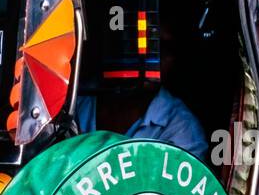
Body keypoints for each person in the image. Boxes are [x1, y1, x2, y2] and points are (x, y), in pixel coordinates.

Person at [76, 22, 207, 159]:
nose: (152, 59)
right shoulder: (77, 98)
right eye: (145, 44)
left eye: (164, 49)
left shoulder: (182, 130)